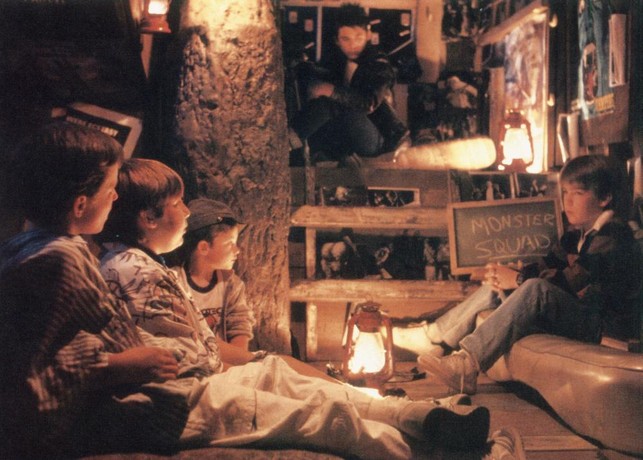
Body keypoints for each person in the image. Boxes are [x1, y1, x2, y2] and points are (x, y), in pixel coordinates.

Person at [97, 157, 495, 457]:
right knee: (321, 416)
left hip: (205, 380)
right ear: (149, 218)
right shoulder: (133, 272)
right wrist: (240, 364)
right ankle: (432, 449)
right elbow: (188, 359)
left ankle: (421, 417)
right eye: (177, 204)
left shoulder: (150, 266)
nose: (186, 212)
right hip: (185, 402)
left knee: (278, 372)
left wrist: (252, 361)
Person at [417, 154, 641, 395]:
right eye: (565, 192)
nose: (567, 201)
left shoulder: (614, 234)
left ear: (605, 198)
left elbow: (571, 282)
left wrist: (518, 280)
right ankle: (438, 342)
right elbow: (543, 266)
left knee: (535, 289)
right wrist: (510, 275)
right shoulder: (576, 235)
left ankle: (467, 365)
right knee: (498, 286)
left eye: (577, 193)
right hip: (580, 314)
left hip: (604, 327)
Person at [290, 3, 411, 163]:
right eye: (345, 39)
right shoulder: (339, 61)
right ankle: (290, 152)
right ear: (337, 40)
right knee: (313, 138)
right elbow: (323, 75)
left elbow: (368, 103)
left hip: (379, 138)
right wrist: (303, 67)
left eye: (358, 37)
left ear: (368, 35)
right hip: (347, 131)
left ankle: (287, 140)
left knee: (334, 103)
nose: (353, 44)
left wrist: (330, 90)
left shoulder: (378, 65)